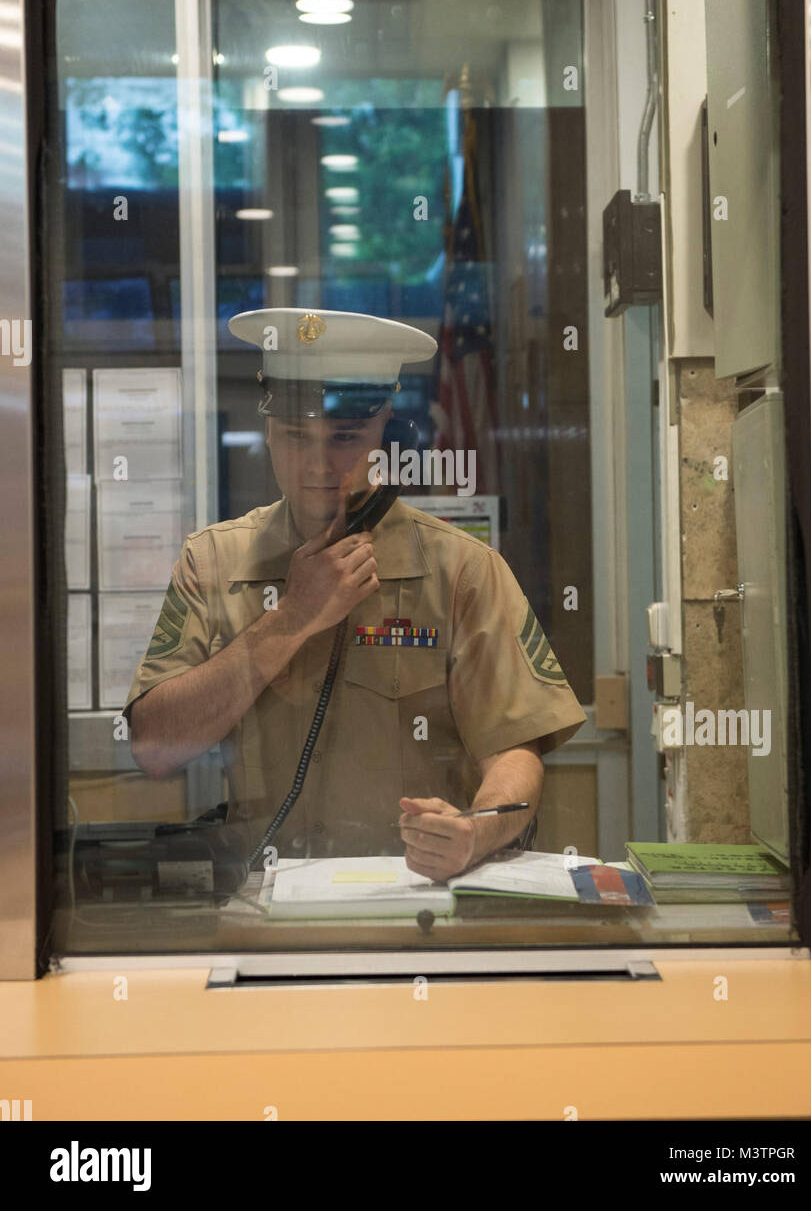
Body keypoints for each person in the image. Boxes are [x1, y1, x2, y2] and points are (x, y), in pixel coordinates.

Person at [125, 307, 586, 881]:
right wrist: (291, 618)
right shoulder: (212, 562)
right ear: (267, 431)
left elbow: (515, 752)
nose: (318, 463)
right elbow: (153, 747)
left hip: (410, 898)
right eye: (296, 436)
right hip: (263, 898)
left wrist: (476, 831)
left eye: (345, 438)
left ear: (389, 435)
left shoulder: (462, 569)